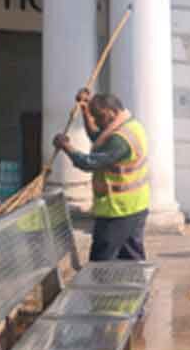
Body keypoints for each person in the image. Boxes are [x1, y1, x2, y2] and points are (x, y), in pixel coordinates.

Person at [53, 89, 150, 261]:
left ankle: (100, 288)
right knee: (131, 259)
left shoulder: (120, 140)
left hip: (117, 211)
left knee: (101, 261)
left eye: (99, 117)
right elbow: (98, 137)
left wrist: (66, 146)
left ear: (111, 112)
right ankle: (133, 287)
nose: (96, 121)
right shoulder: (129, 125)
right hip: (135, 206)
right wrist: (85, 110)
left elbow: (89, 163)